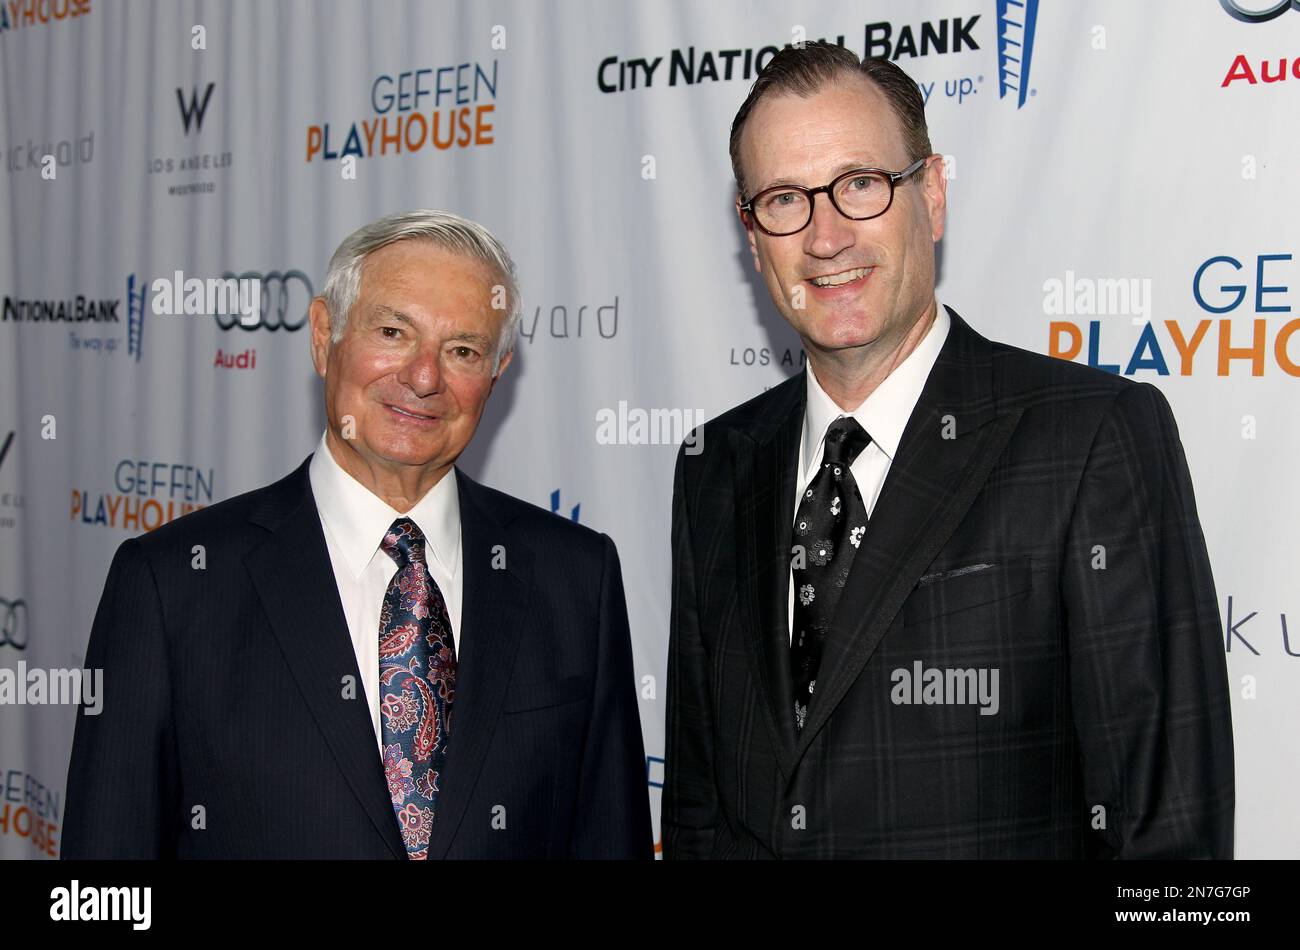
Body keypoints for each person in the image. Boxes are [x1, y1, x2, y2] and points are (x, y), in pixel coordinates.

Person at [663, 43, 1234, 859]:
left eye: (860, 185)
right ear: (754, 238)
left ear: (930, 197)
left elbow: (1168, 830)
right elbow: (696, 810)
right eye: (785, 199)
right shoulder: (713, 466)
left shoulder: (1089, 438)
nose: (825, 237)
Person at [63, 210, 652, 859]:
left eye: (462, 350)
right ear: (324, 335)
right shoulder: (172, 586)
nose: (424, 377)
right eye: (394, 331)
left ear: (497, 371)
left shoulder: (575, 578)